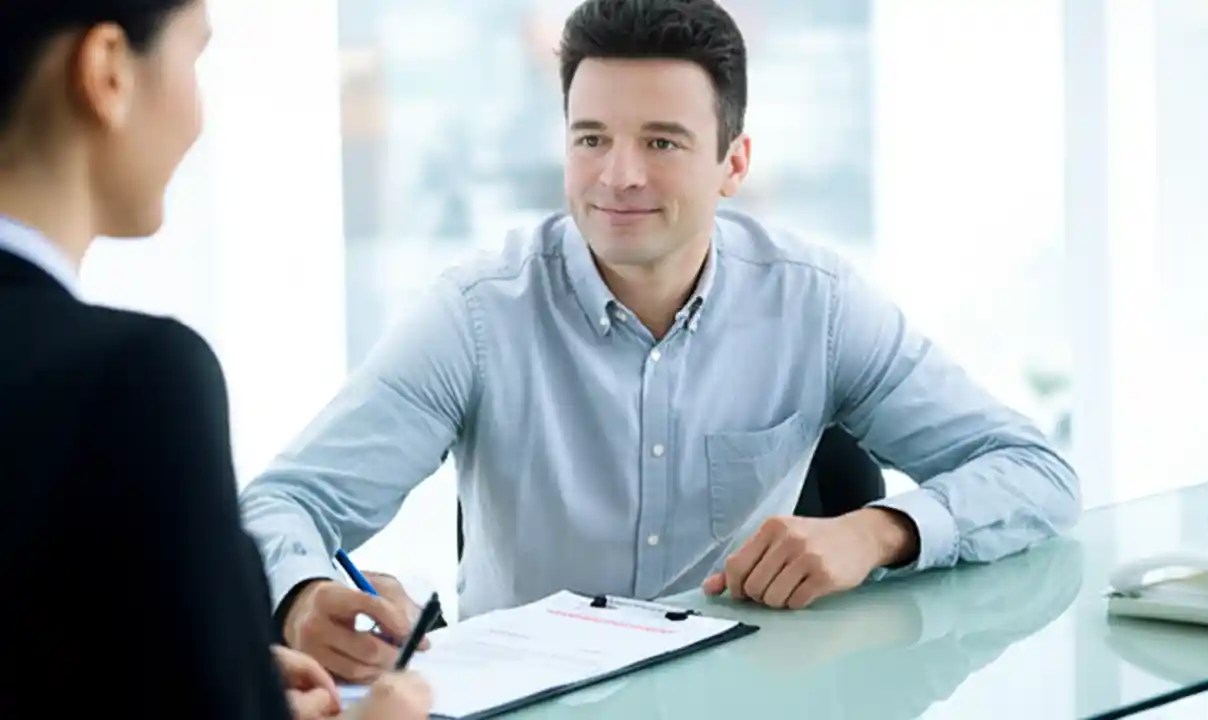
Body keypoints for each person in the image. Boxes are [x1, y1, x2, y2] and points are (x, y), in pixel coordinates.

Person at [241, 0, 1081, 684]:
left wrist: (879, 531)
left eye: (662, 142)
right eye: (592, 138)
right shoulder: (474, 315)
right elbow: (281, 505)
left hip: (745, 702)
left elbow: (1036, 473)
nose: (619, 176)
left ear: (733, 162)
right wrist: (303, 592)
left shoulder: (814, 305)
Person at [0, 1, 430, 717]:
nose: (200, 116)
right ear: (106, 71)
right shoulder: (135, 379)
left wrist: (213, 668)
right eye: (195, 57)